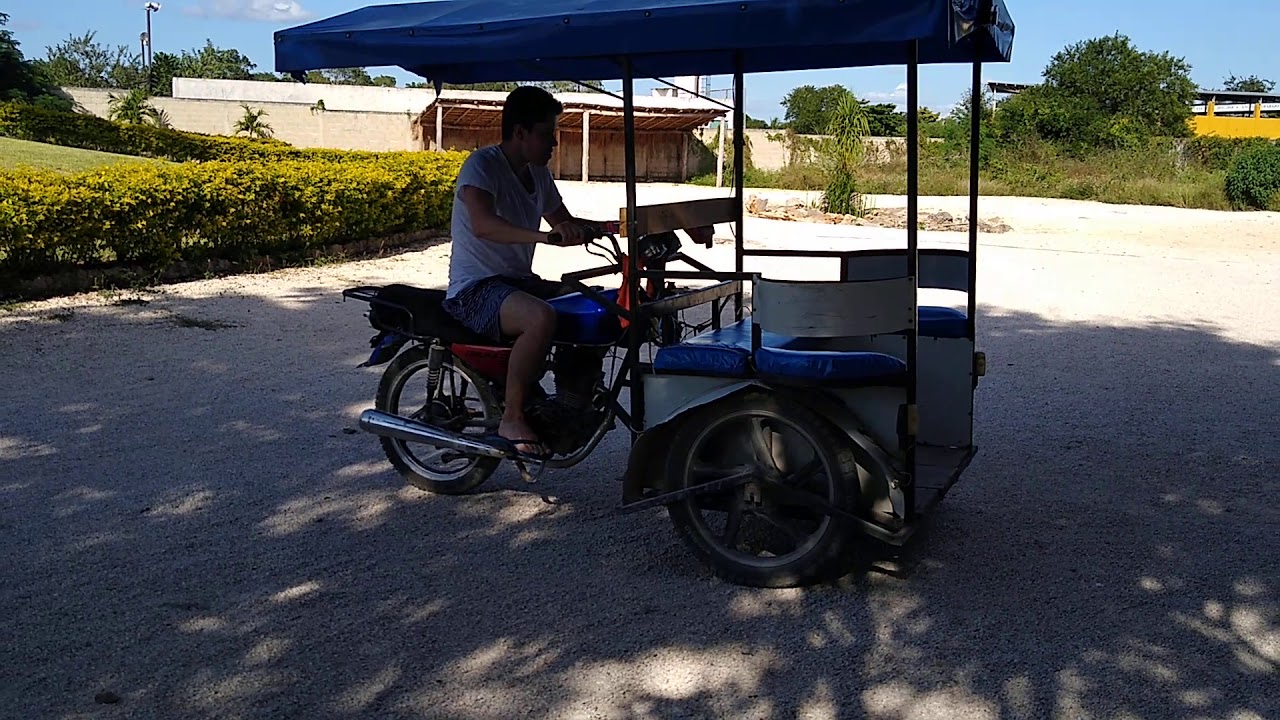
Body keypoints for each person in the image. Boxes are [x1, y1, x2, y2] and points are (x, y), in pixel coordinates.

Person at [442, 85, 602, 456]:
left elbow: (565, 221)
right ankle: (511, 417)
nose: (555, 143)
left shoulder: (538, 175)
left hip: (516, 282)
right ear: (520, 133)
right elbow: (484, 225)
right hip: (475, 289)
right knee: (541, 318)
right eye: (548, 134)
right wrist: (546, 237)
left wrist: (615, 227)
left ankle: (569, 403)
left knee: (595, 307)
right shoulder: (482, 166)